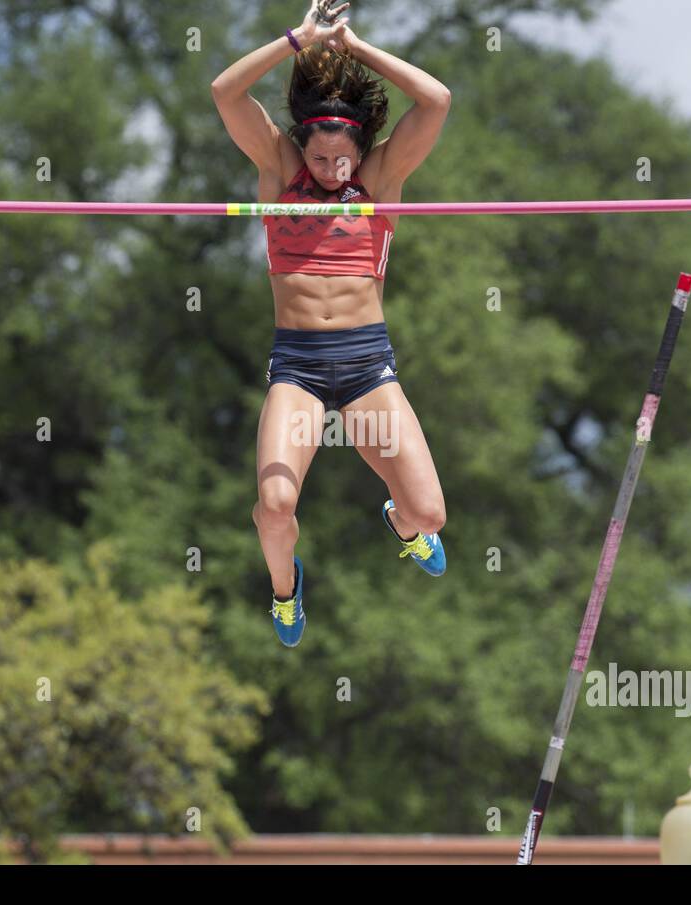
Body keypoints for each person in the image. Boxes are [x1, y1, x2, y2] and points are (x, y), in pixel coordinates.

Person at [211, 1, 451, 647]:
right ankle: (286, 595)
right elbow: (223, 91)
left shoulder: (380, 176)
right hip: (300, 369)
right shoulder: (278, 170)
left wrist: (354, 44)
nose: (329, 171)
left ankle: (399, 526)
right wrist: (298, 39)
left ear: (360, 149)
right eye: (319, 161)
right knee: (274, 507)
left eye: (341, 162)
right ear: (302, 148)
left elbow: (436, 101)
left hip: (368, 367)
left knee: (429, 513)